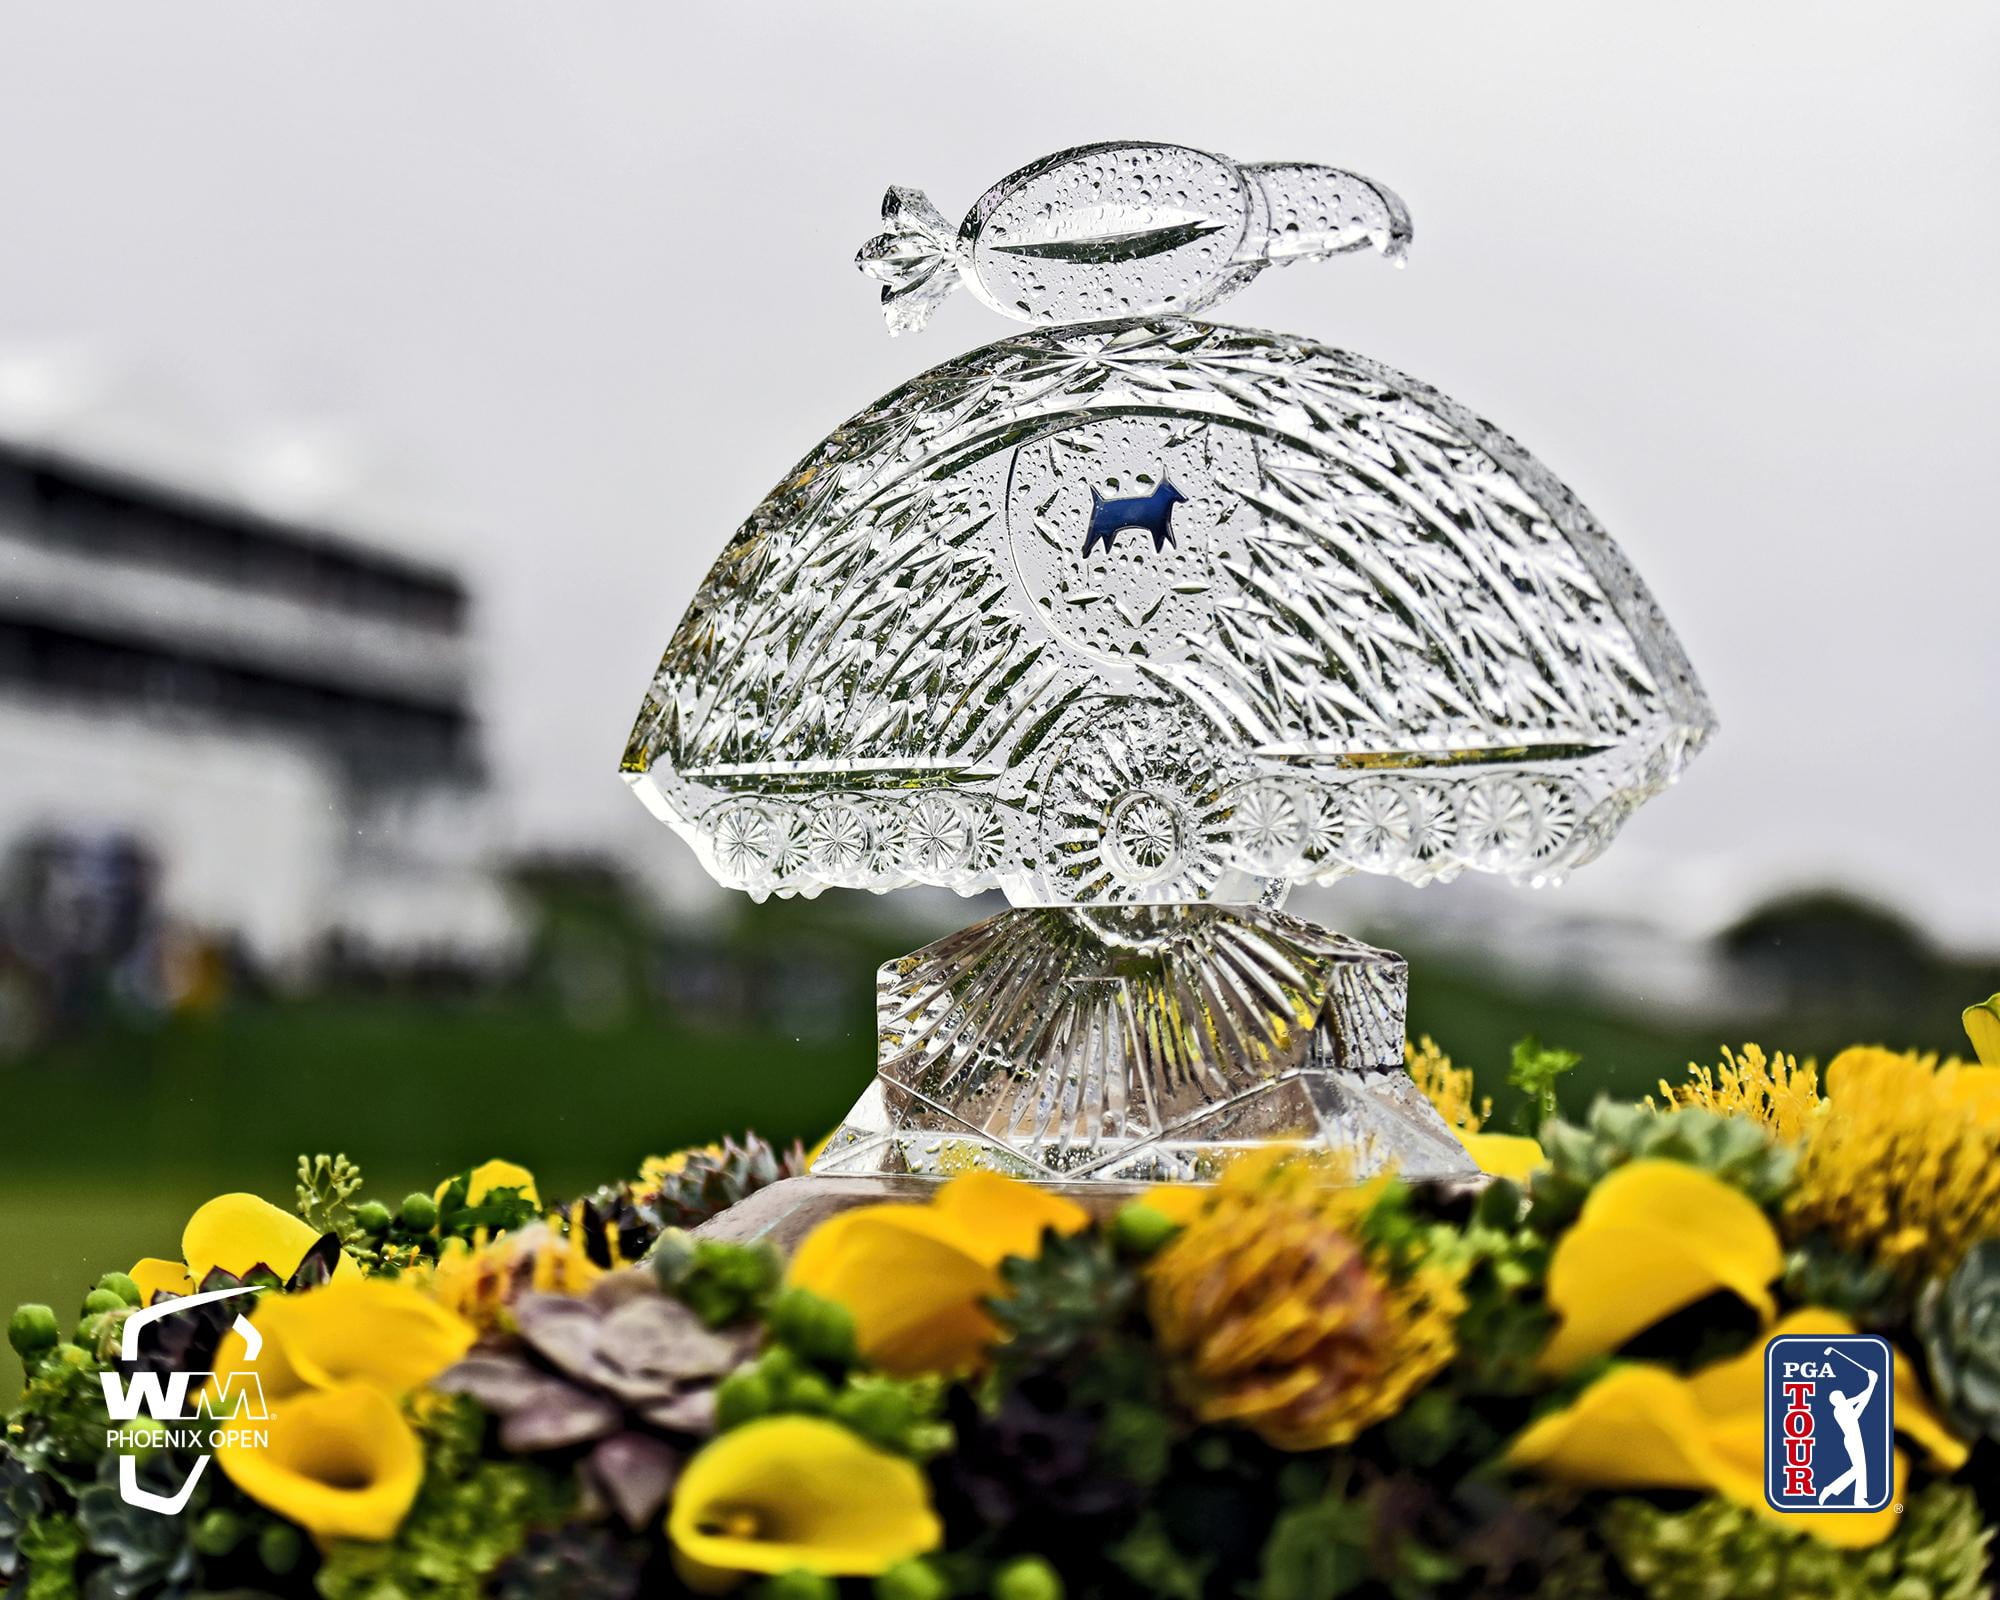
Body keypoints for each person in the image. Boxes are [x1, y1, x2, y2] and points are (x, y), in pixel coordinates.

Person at [1817, 1367, 1881, 1507]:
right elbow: (1861, 1401)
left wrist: (1872, 1384)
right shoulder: (1841, 1409)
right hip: (1852, 1439)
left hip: (1854, 1438)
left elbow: (1861, 1401)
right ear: (1836, 1400)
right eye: (1840, 1395)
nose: (1843, 1396)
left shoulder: (1845, 1406)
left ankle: (1843, 1493)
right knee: (1859, 1469)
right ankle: (1846, 1495)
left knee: (1858, 1469)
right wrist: (1871, 1383)